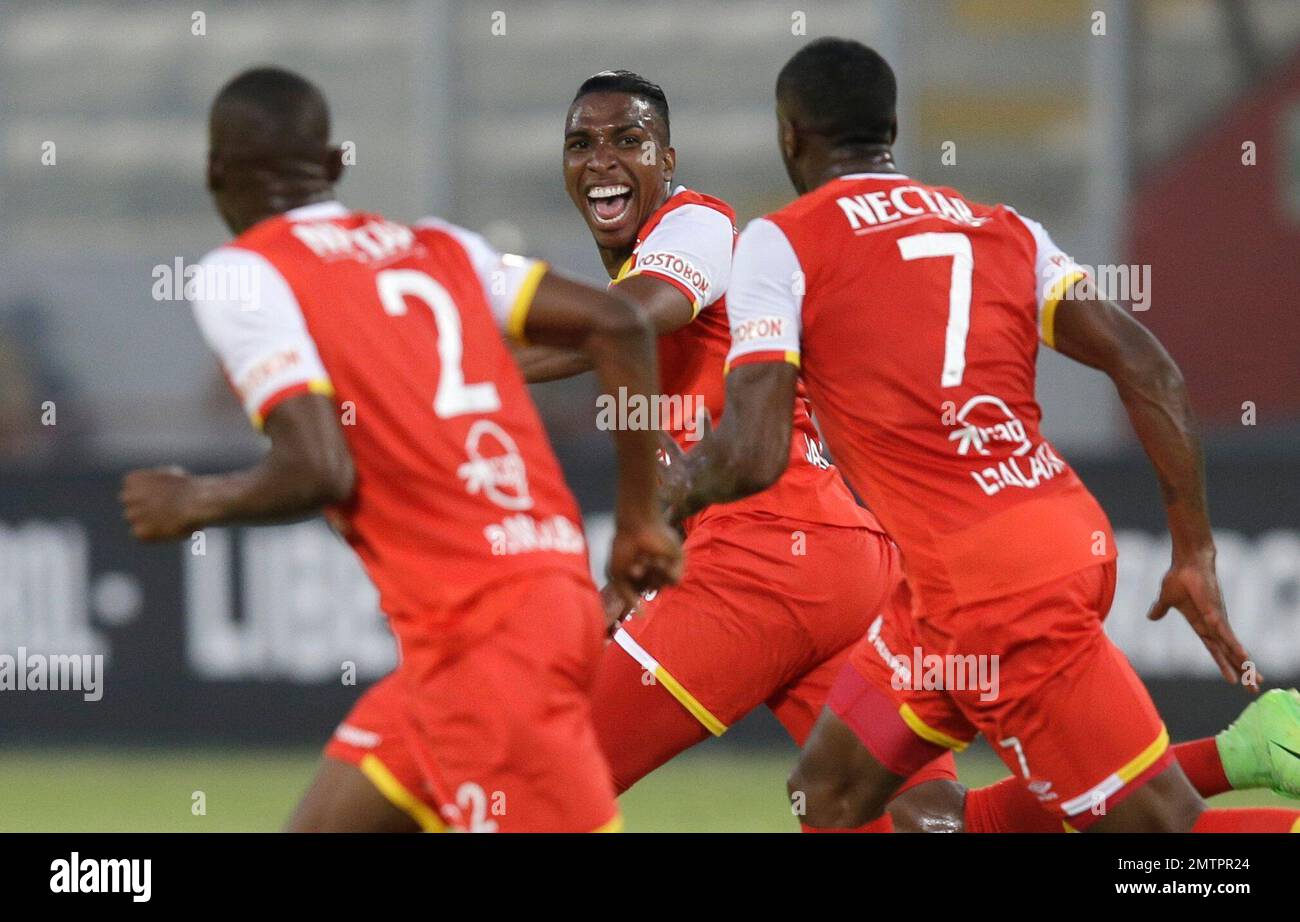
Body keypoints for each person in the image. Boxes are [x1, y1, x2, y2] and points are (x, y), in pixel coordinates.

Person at [664, 38, 1300, 833]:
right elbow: (1151, 369)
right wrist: (1194, 549)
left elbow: (753, 453)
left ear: (790, 136)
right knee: (829, 794)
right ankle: (1245, 752)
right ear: (890, 129)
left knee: (1163, 846)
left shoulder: (782, 240)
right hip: (984, 575)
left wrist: (664, 493)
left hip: (999, 598)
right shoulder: (1007, 229)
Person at [119, 66, 681, 833]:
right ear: (334, 167)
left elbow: (317, 467)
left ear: (215, 172)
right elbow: (617, 326)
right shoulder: (439, 248)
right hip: (524, 602)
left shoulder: (246, 272)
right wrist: (640, 520)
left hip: (482, 640)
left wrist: (194, 501)